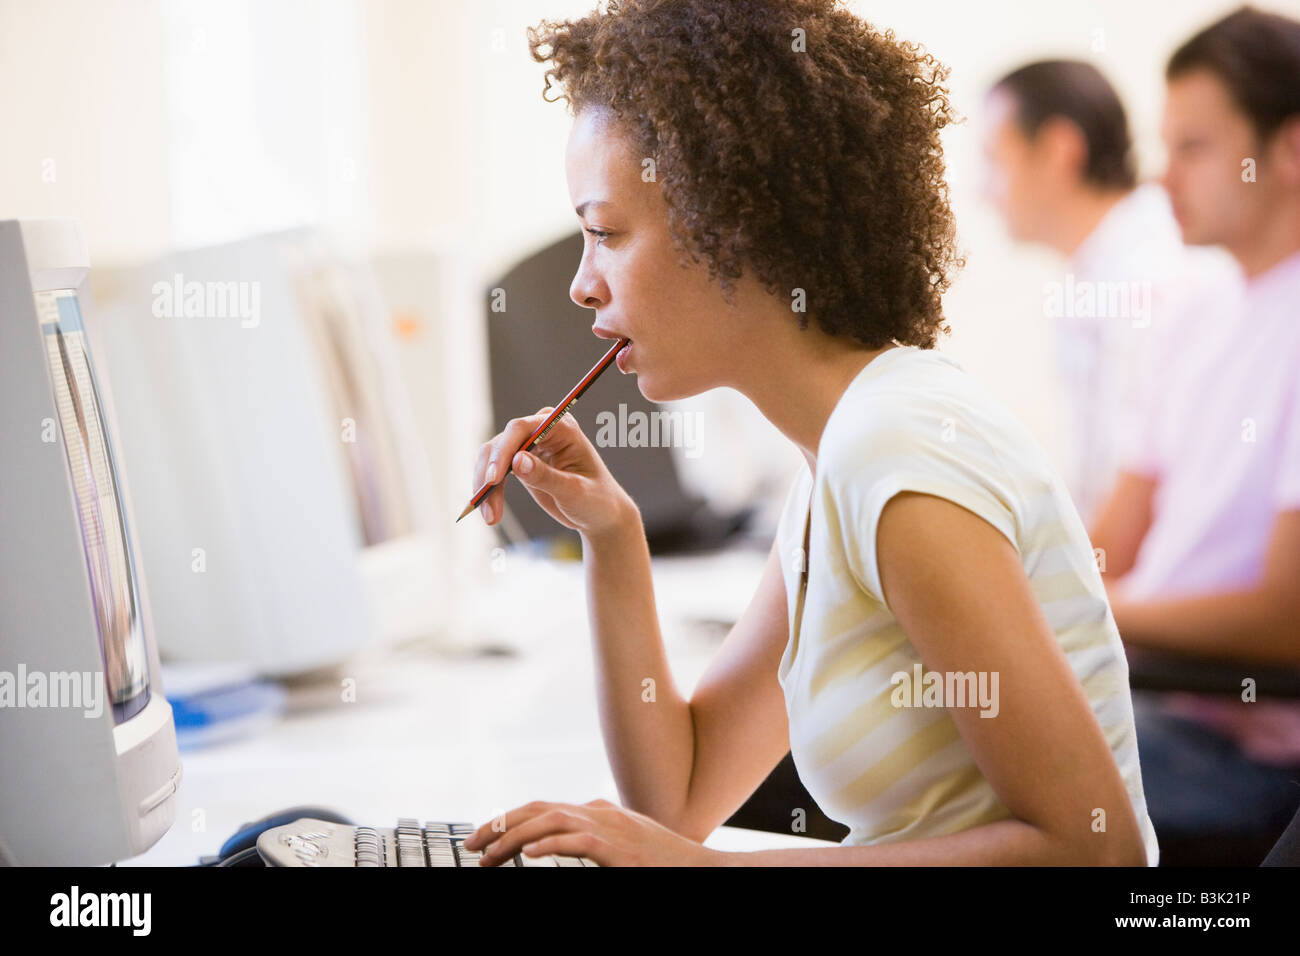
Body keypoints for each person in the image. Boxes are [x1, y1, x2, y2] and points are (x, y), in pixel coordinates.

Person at [461, 0, 1157, 866]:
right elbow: (676, 801)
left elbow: (1097, 853)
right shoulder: (836, 458)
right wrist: (612, 535)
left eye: (604, 234)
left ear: (733, 226)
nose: (582, 286)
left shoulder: (895, 451)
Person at [1090, 6, 1300, 863]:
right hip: (1149, 694)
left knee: (930, 773)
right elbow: (1111, 540)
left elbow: (1285, 621)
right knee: (865, 727)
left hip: (1246, 747)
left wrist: (1093, 611)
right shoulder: (1191, 310)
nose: (1160, 178)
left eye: (1194, 148)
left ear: (1290, 149)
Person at [981, 60, 1240, 526]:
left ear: (1060, 150)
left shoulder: (1151, 276)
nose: (985, 192)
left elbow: (1140, 506)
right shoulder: (1096, 274)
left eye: (995, 162)